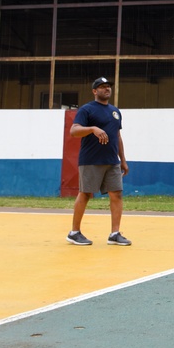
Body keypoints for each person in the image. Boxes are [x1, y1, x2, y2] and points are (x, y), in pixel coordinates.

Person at [67, 77, 131, 246]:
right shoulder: (87, 109)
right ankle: (74, 232)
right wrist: (92, 129)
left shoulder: (115, 111)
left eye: (108, 86)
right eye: (102, 87)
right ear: (94, 91)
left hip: (112, 161)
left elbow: (117, 136)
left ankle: (115, 234)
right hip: (91, 160)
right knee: (86, 193)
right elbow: (74, 130)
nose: (106, 89)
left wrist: (123, 160)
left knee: (116, 194)